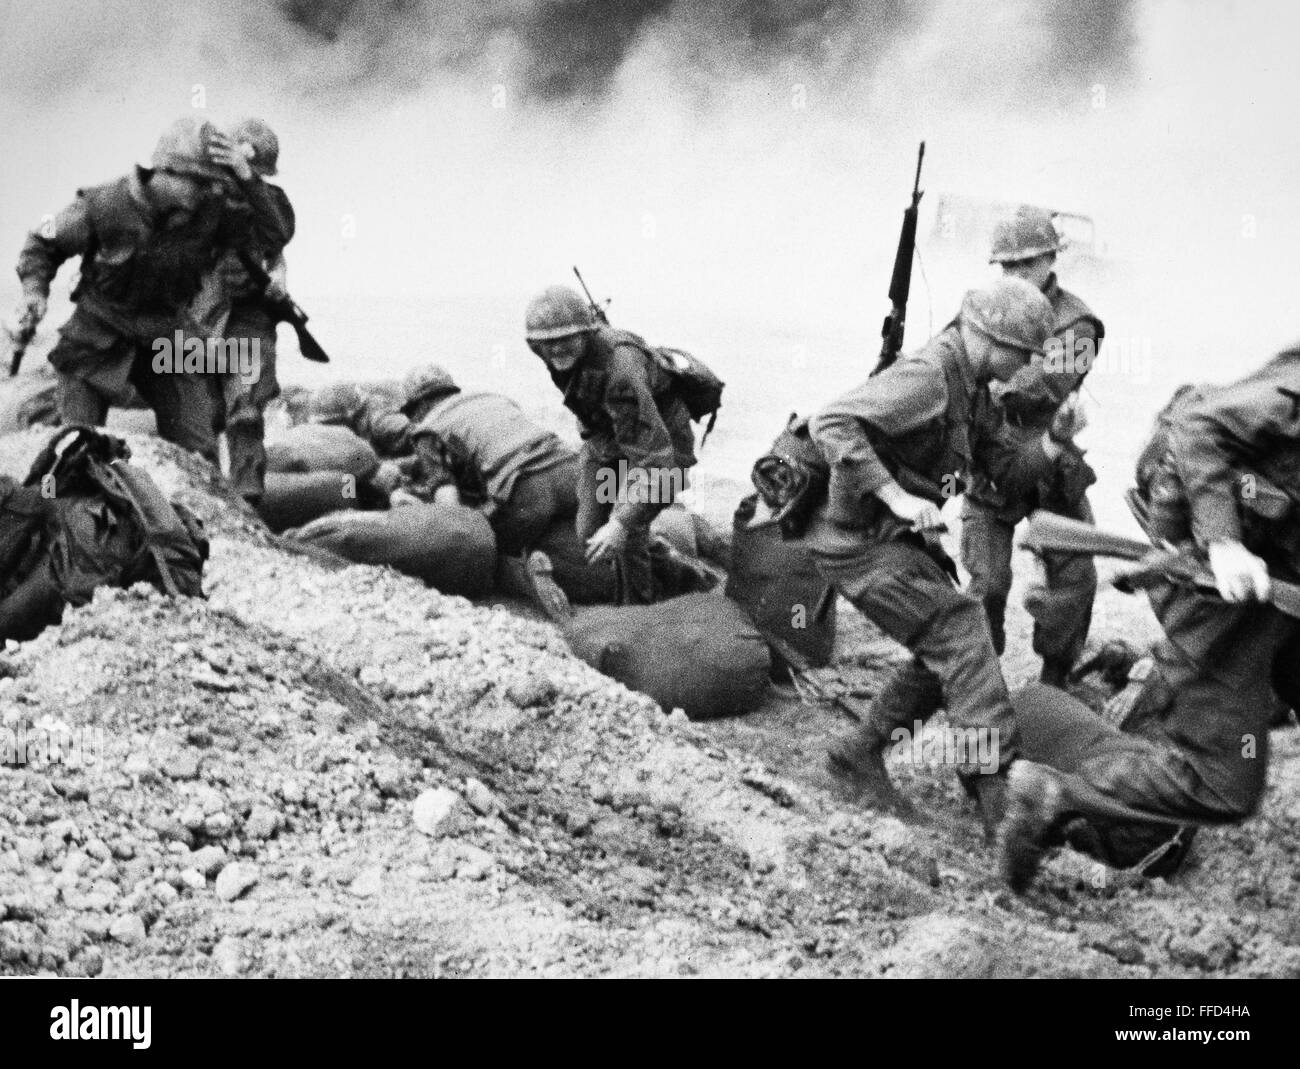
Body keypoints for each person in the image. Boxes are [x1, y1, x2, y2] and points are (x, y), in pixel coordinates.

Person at [1000, 349, 1300, 892]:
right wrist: (1224, 541)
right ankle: (1057, 793)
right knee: (1224, 786)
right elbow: (1198, 427)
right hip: (1229, 568)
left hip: (1268, 575)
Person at [813, 277, 1087, 828]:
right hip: (854, 540)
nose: (1030, 367)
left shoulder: (973, 392)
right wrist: (894, 496)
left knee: (954, 644)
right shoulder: (930, 376)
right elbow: (831, 422)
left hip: (885, 539)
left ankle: (859, 753)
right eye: (1024, 354)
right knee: (962, 630)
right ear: (988, 339)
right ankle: (995, 789)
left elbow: (1005, 474)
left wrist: (1053, 442)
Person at [12, 117, 288, 465]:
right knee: (77, 453)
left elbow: (274, 236)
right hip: (97, 338)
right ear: (168, 172)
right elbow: (43, 242)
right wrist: (34, 293)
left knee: (199, 452)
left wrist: (247, 177)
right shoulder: (105, 204)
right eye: (202, 183)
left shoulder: (212, 212)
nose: (211, 192)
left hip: (166, 338)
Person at [961, 205, 1105, 684]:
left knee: (1075, 579)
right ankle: (981, 683)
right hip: (992, 462)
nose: (1016, 274)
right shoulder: (985, 307)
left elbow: (1049, 383)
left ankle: (1056, 678)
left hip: (1050, 459)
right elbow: (954, 360)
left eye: (1026, 263)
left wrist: (993, 381)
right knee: (986, 584)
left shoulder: (1079, 323)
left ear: (1050, 260)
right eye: (1007, 265)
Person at [524, 284, 696, 605]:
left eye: (565, 339)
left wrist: (621, 522)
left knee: (625, 533)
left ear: (586, 335)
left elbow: (656, 465)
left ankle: (638, 612)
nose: (557, 349)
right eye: (548, 343)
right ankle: (668, 562)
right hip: (611, 443)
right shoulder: (564, 359)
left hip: (664, 451)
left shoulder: (621, 373)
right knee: (589, 530)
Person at [192, 118, 296, 505]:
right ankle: (204, 499)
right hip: (201, 317)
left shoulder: (271, 201)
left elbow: (277, 240)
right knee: (200, 412)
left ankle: (247, 498)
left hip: (248, 317)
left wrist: (248, 179)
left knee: (246, 409)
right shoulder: (202, 196)